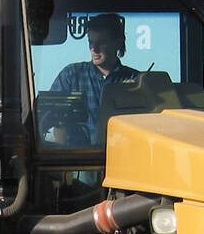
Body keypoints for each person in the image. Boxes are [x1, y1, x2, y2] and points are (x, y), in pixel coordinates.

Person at [47, 13, 139, 147]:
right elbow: (48, 116)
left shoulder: (136, 81)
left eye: (101, 43)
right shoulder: (71, 75)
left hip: (122, 158)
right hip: (76, 160)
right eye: (91, 42)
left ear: (117, 43)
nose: (94, 49)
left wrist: (134, 95)